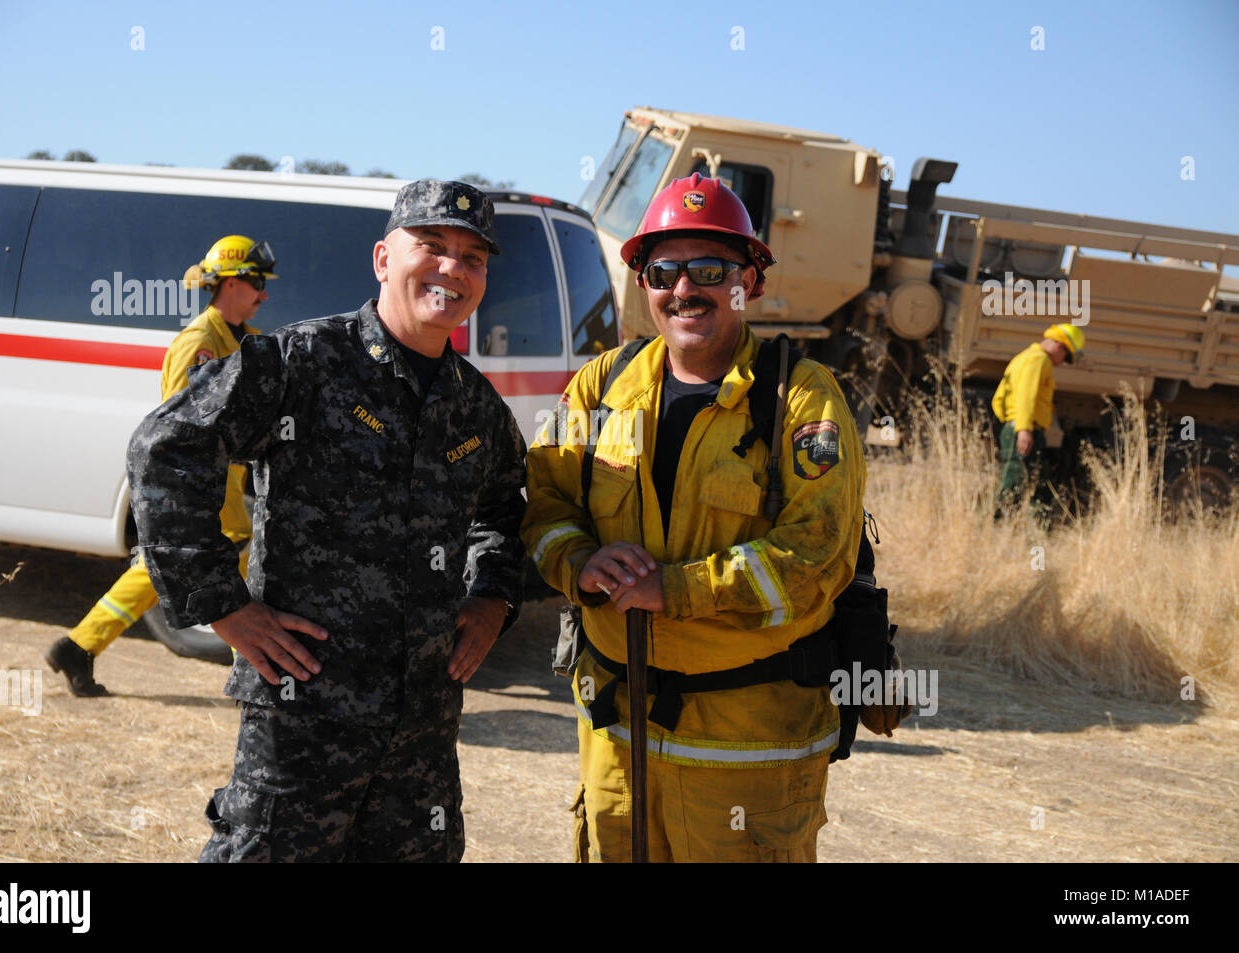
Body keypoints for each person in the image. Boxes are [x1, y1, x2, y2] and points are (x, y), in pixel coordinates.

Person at [127, 180, 526, 863]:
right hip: (303, 722)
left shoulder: (475, 406)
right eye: (431, 246)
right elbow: (166, 448)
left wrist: (492, 597)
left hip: (420, 739)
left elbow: (507, 506)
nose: (452, 268)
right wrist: (224, 605)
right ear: (382, 259)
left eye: (472, 256)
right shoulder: (302, 363)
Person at [522, 174, 867, 862]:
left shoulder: (801, 398)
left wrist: (674, 590)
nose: (685, 289)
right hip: (617, 734)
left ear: (750, 283)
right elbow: (543, 503)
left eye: (709, 270)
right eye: (664, 270)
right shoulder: (599, 386)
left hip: (747, 749)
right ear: (644, 283)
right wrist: (578, 563)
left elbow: (817, 555)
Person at [44, 235, 276, 696]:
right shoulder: (199, 342)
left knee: (166, 566)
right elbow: (180, 422)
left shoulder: (249, 340)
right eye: (256, 283)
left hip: (229, 474)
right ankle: (256, 677)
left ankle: (79, 646)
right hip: (200, 479)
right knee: (236, 559)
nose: (264, 294)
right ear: (229, 284)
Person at [991, 322, 1085, 516]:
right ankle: (989, 529)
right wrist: (1024, 429)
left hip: (1018, 427)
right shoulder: (1038, 360)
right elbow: (1027, 395)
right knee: (1012, 486)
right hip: (1023, 429)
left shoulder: (1026, 356)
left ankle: (1038, 537)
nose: (1062, 362)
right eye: (1066, 357)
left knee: (1040, 487)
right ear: (1060, 347)